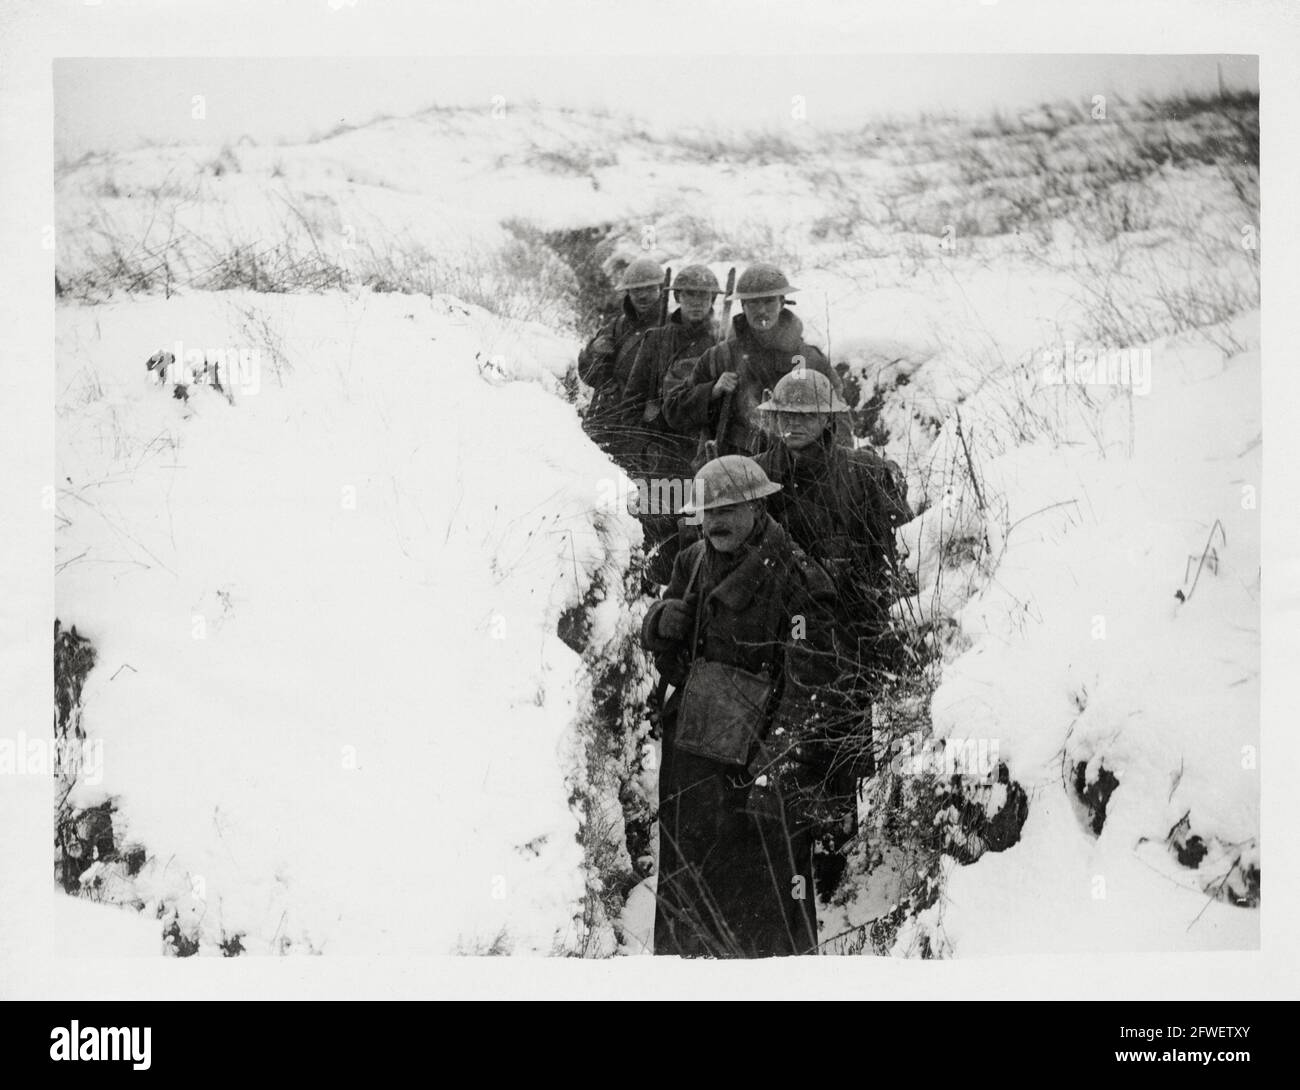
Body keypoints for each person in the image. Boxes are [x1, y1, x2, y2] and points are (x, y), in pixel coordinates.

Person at [641, 455, 844, 957]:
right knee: (689, 898)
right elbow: (676, 661)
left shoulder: (800, 580)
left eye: (729, 508)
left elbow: (810, 688)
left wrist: (773, 772)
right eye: (708, 512)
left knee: (766, 912)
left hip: (757, 765)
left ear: (758, 505)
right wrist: (661, 622)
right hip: (693, 756)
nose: (716, 522)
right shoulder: (692, 563)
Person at [753, 370, 914, 895]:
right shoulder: (759, 475)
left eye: (806, 415)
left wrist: (866, 612)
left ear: (828, 420)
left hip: (845, 629)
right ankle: (786, 838)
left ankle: (834, 843)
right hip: (783, 631)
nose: (794, 425)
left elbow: (892, 552)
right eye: (786, 415)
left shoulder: (862, 475)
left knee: (841, 736)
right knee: (783, 735)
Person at [662, 263, 842, 461]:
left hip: (799, 472)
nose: (762, 310)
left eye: (769, 301)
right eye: (753, 303)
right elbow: (673, 412)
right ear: (743, 306)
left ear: (782, 303)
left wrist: (838, 469)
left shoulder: (809, 359)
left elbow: (838, 418)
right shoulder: (720, 357)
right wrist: (711, 391)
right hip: (735, 470)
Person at [618, 264, 723, 585]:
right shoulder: (656, 340)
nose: (695, 302)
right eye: (689, 294)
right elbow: (631, 403)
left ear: (712, 301)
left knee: (697, 532)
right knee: (655, 531)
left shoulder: (723, 344)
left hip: (702, 453)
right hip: (659, 453)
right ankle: (645, 596)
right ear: (677, 296)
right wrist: (636, 453)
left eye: (703, 296)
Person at [576, 256, 664, 462]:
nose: (642, 296)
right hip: (608, 420)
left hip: (646, 427)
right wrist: (593, 351)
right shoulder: (617, 326)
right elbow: (588, 375)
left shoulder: (671, 328)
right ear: (628, 293)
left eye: (649, 289)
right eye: (635, 290)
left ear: (661, 290)